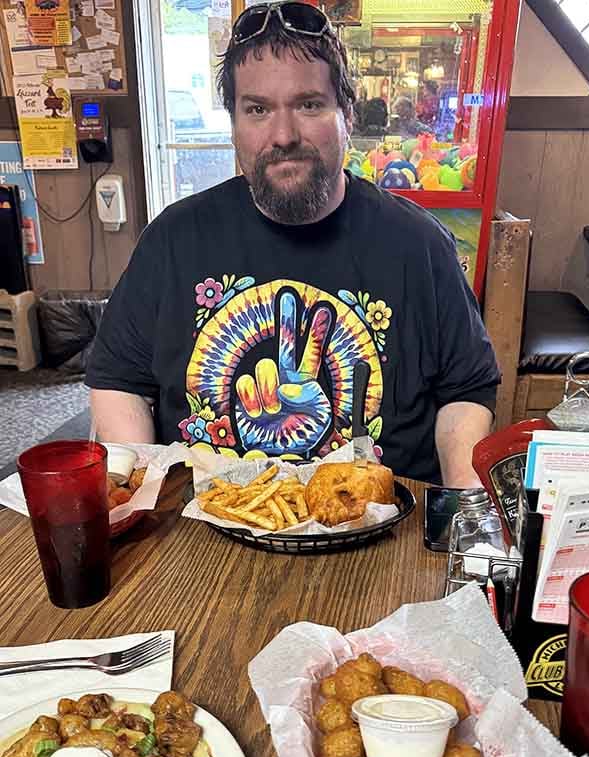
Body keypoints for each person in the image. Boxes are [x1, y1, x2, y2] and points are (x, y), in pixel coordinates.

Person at [86, 1, 499, 486]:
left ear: (346, 113)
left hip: (384, 532)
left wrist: (461, 522)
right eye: (257, 109)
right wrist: (137, 499)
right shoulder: (172, 239)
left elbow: (466, 391)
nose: (282, 135)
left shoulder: (421, 245)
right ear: (234, 123)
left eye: (308, 104)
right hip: (202, 533)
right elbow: (118, 382)